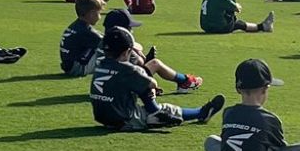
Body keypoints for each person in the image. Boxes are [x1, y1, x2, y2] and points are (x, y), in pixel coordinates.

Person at [89, 28, 225, 132]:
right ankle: (199, 113)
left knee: (138, 80)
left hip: (103, 116)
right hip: (124, 119)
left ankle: (154, 114)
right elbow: (151, 83)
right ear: (126, 52)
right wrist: (151, 88)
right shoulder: (127, 69)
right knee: (166, 108)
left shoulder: (100, 65)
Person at [104, 8, 204, 92]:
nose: (132, 30)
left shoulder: (103, 42)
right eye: (129, 27)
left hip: (102, 83)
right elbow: (138, 66)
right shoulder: (124, 48)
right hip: (121, 85)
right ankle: (185, 82)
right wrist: (145, 59)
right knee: (155, 63)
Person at [59, 0, 107, 76]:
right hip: (78, 68)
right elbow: (109, 42)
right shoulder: (87, 32)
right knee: (111, 50)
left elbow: (99, 35)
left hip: (69, 66)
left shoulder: (76, 26)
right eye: (99, 12)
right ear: (92, 13)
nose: (100, 16)